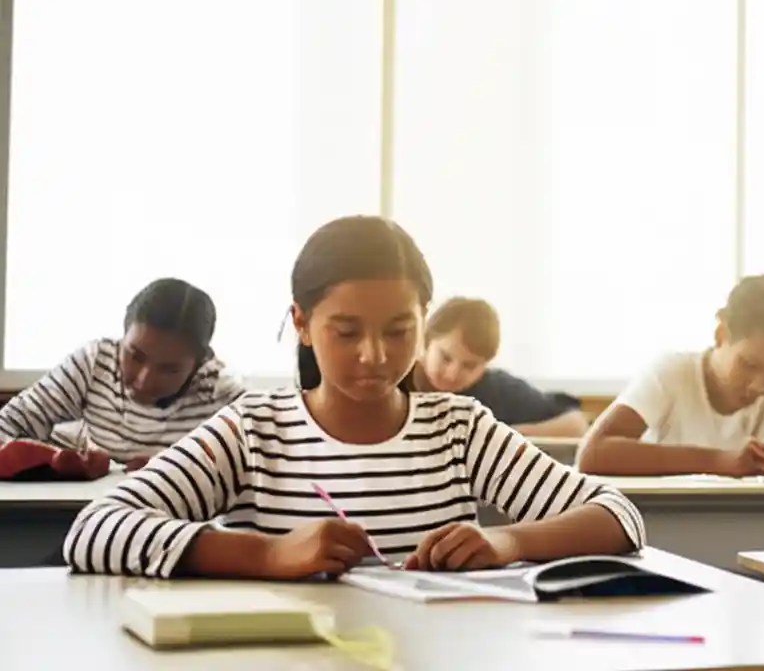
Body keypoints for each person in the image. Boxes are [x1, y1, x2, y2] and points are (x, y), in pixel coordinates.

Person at [63, 216, 644, 578]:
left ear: (425, 322)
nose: (374, 355)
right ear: (303, 322)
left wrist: (506, 539)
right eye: (346, 332)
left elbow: (620, 516)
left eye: (398, 331)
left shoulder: (458, 429)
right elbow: (95, 528)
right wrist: (266, 555)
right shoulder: (253, 430)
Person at [578, 274, 764, 476]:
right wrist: (721, 462)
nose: (760, 385)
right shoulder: (672, 374)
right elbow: (593, 454)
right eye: (749, 365)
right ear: (721, 333)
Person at [0, 278, 242, 471]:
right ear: (123, 336)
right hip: (80, 509)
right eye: (135, 355)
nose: (143, 380)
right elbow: (9, 423)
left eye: (169, 369)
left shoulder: (222, 393)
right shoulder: (95, 361)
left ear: (201, 363)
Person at [412, 297, 587, 437]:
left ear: (486, 364)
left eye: (469, 366)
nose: (452, 374)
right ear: (427, 341)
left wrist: (505, 436)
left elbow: (576, 424)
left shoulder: (497, 388)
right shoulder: (397, 378)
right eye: (445, 357)